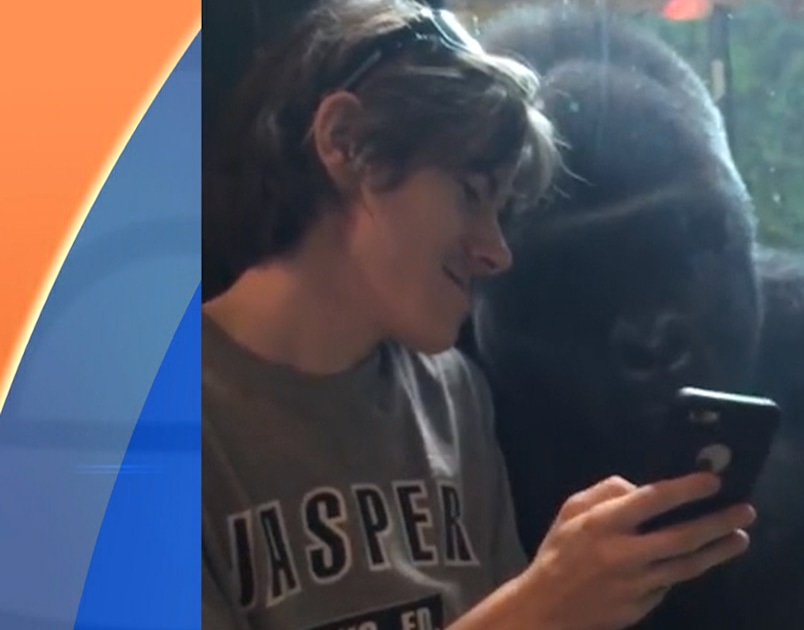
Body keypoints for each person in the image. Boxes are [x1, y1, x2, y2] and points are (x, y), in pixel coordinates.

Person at [200, 1, 757, 629]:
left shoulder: (455, 395)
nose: (496, 252)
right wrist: (543, 603)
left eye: (502, 213)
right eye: (469, 195)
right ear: (346, 142)